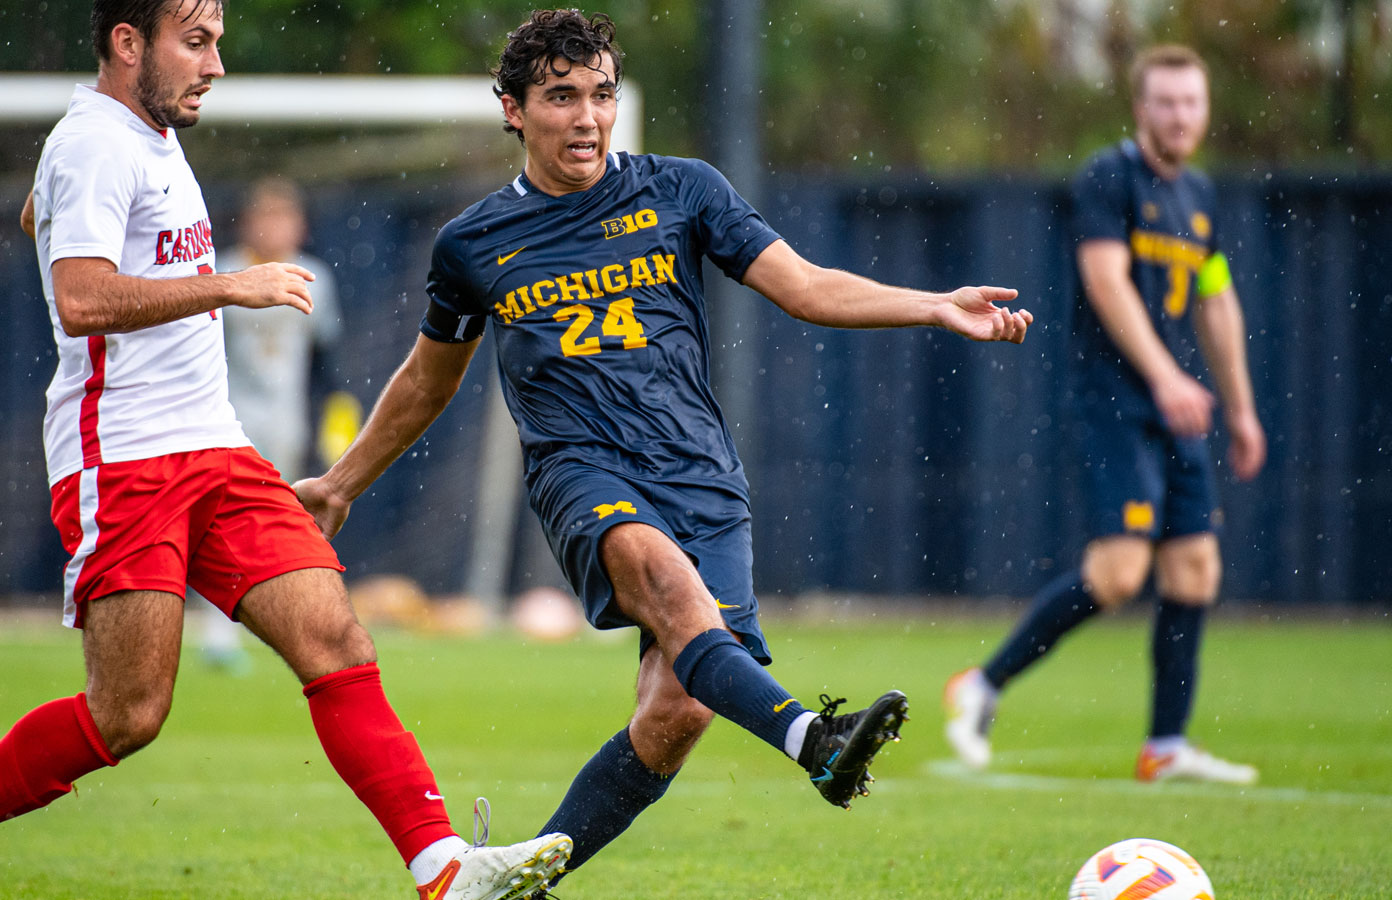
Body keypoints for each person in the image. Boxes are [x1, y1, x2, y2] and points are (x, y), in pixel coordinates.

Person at [294, 8, 1032, 889]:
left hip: (701, 475)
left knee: (678, 707)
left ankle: (508, 884)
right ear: (512, 109)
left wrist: (933, 303)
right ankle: (816, 741)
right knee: (673, 588)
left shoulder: (684, 190)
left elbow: (804, 286)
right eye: (561, 97)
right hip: (581, 470)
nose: (587, 117)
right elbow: (428, 379)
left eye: (600, 94)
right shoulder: (473, 243)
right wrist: (342, 484)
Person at [0, 3, 571, 899]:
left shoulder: (136, 138)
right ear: (129, 42)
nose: (216, 64)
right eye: (195, 42)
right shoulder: (94, 142)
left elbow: (45, 221)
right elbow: (82, 299)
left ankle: (442, 871)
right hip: (124, 459)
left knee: (336, 637)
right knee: (129, 715)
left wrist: (59, 215)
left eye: (216, 43)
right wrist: (230, 284)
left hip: (217, 448)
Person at [944, 45, 1266, 785]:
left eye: (1192, 102)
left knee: (1194, 568)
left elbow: (1216, 302)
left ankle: (1165, 745)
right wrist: (1165, 377)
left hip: (1175, 405)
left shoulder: (1200, 198)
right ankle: (982, 685)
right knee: (1119, 574)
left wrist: (1242, 410)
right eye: (1167, 102)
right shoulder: (1108, 178)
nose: (1181, 116)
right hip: (1115, 402)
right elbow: (1106, 281)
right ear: (1140, 108)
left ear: (1205, 109)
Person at [194, 177, 344, 673]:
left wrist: (335, 419)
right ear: (249, 221)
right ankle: (215, 635)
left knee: (276, 531)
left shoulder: (316, 275)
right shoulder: (218, 273)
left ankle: (278, 629)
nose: (277, 227)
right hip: (225, 424)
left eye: (286, 217)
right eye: (267, 216)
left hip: (287, 427)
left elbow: (325, 361)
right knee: (215, 528)